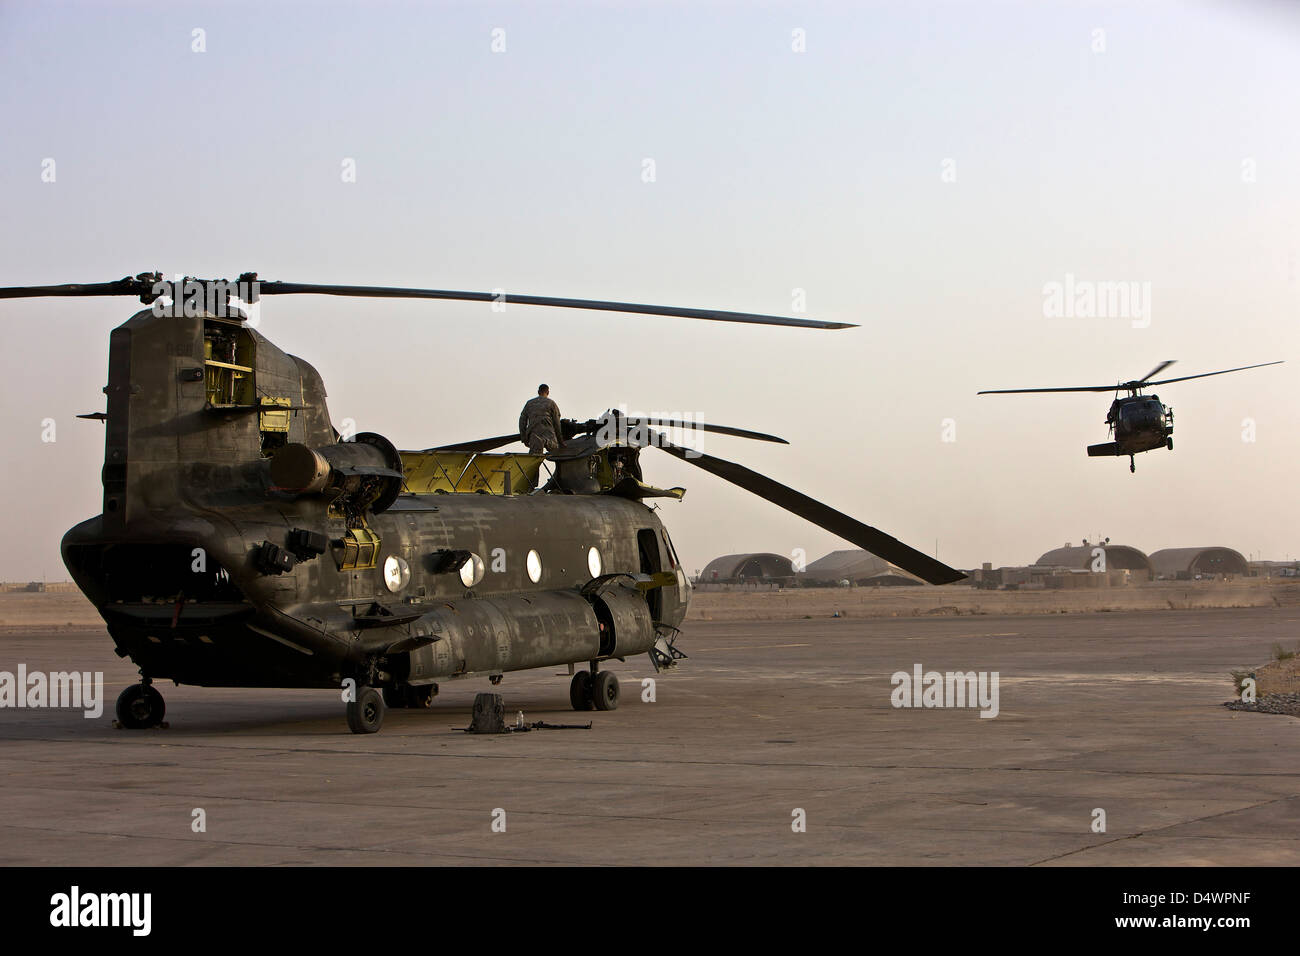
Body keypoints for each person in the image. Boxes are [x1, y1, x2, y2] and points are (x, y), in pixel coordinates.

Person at [519, 384, 563, 455]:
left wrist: (524, 437)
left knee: (533, 456)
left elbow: (522, 421)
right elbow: (557, 423)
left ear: (538, 392)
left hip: (533, 433)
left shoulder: (529, 403)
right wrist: (561, 441)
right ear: (548, 392)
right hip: (547, 432)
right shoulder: (551, 403)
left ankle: (539, 442)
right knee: (556, 448)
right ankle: (545, 441)